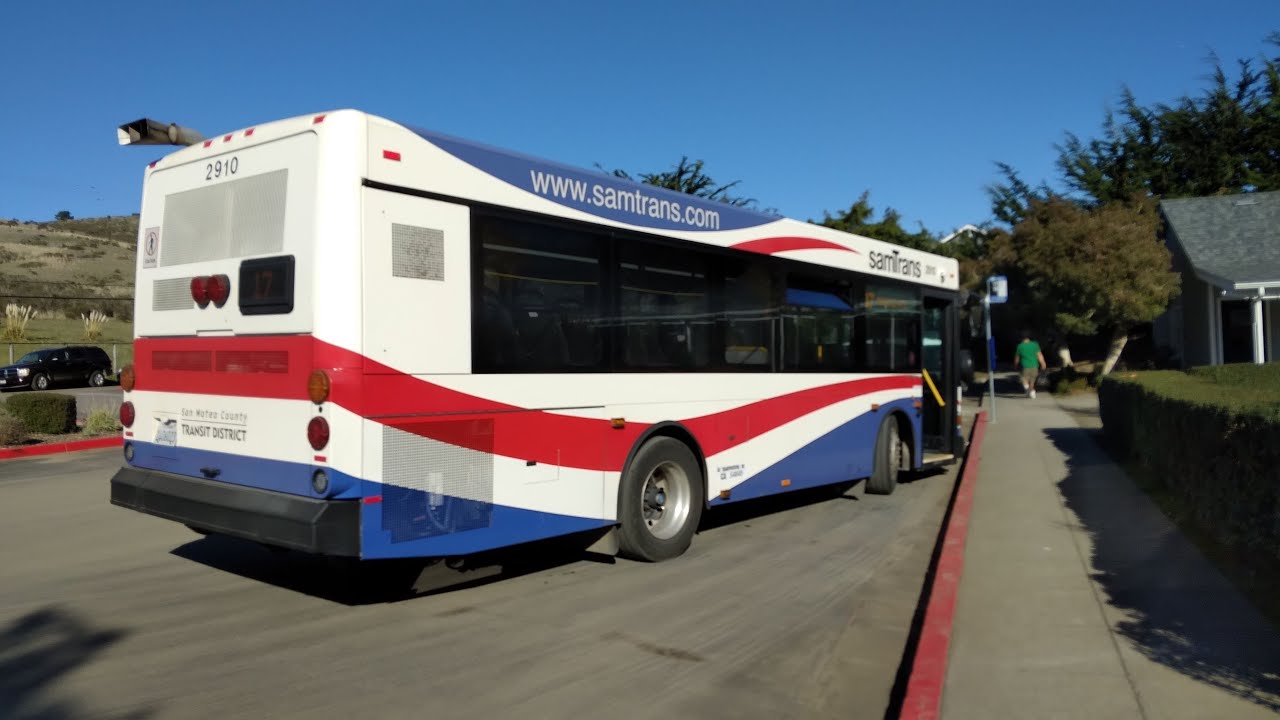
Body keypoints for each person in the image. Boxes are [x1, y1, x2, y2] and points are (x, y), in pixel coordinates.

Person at [1013, 331, 1047, 398]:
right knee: (1032, 380)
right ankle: (1032, 392)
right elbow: (1039, 355)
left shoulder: (1020, 346)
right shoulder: (1035, 345)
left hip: (1025, 366)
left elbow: (1017, 358)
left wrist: (1015, 365)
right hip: (1035, 365)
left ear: (1021, 338)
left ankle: (1029, 390)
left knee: (1023, 380)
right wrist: (1043, 363)